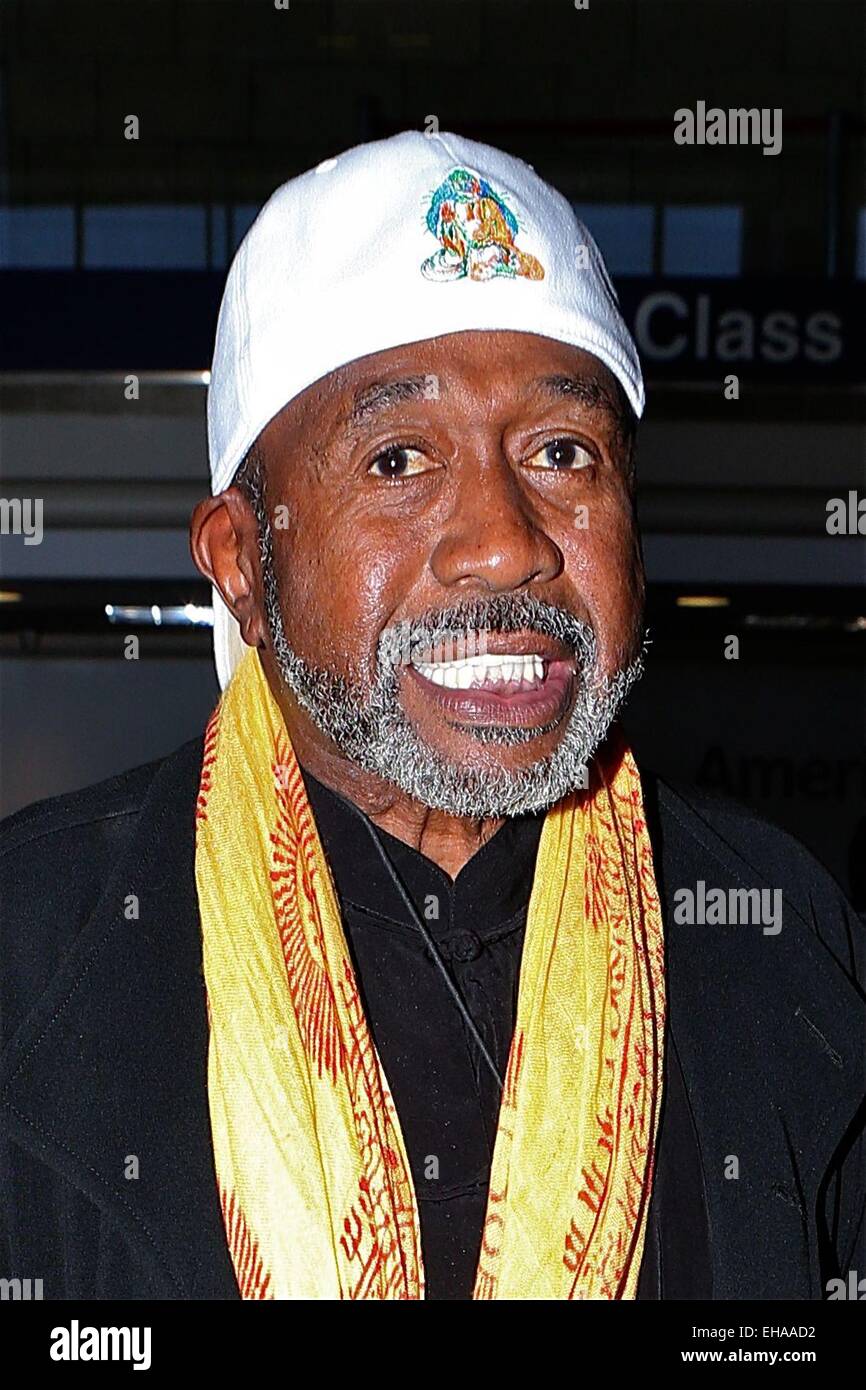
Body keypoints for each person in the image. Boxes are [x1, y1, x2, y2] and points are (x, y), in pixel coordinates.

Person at [1, 131, 863, 1301]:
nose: (505, 542)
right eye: (398, 458)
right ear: (243, 562)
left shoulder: (782, 937)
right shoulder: (32, 948)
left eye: (562, 452)